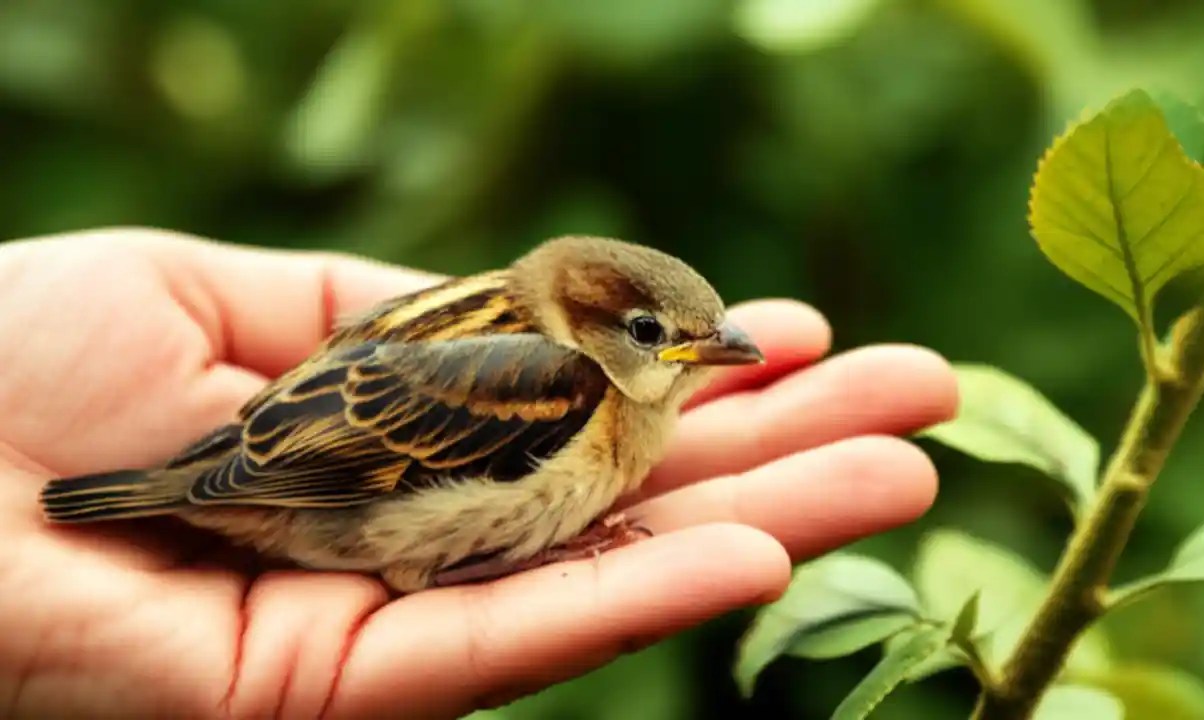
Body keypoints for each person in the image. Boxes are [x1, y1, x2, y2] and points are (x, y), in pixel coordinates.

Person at [0, 227, 958, 719]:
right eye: (654, 339)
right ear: (584, 326)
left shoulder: (542, 343)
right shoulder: (561, 384)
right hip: (335, 494)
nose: (694, 358)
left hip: (272, 449)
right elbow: (386, 463)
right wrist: (545, 554)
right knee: (431, 566)